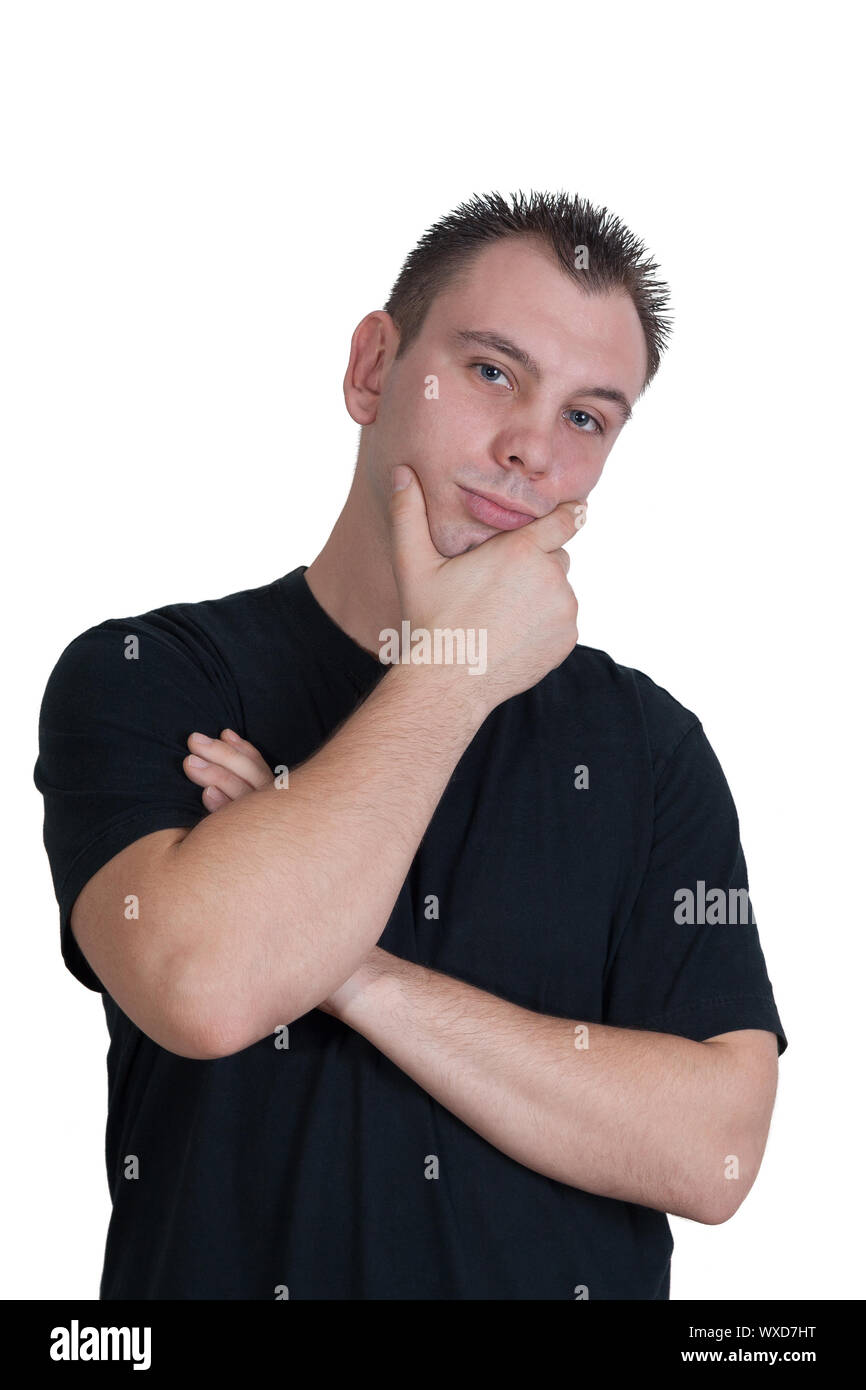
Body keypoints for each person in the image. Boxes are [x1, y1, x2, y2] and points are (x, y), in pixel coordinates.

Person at [34, 190, 787, 1300]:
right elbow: (201, 982)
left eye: (586, 417)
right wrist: (453, 672)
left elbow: (714, 1152)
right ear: (374, 368)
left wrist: (351, 975)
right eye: (491, 372)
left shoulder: (647, 747)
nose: (530, 447)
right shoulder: (149, 676)